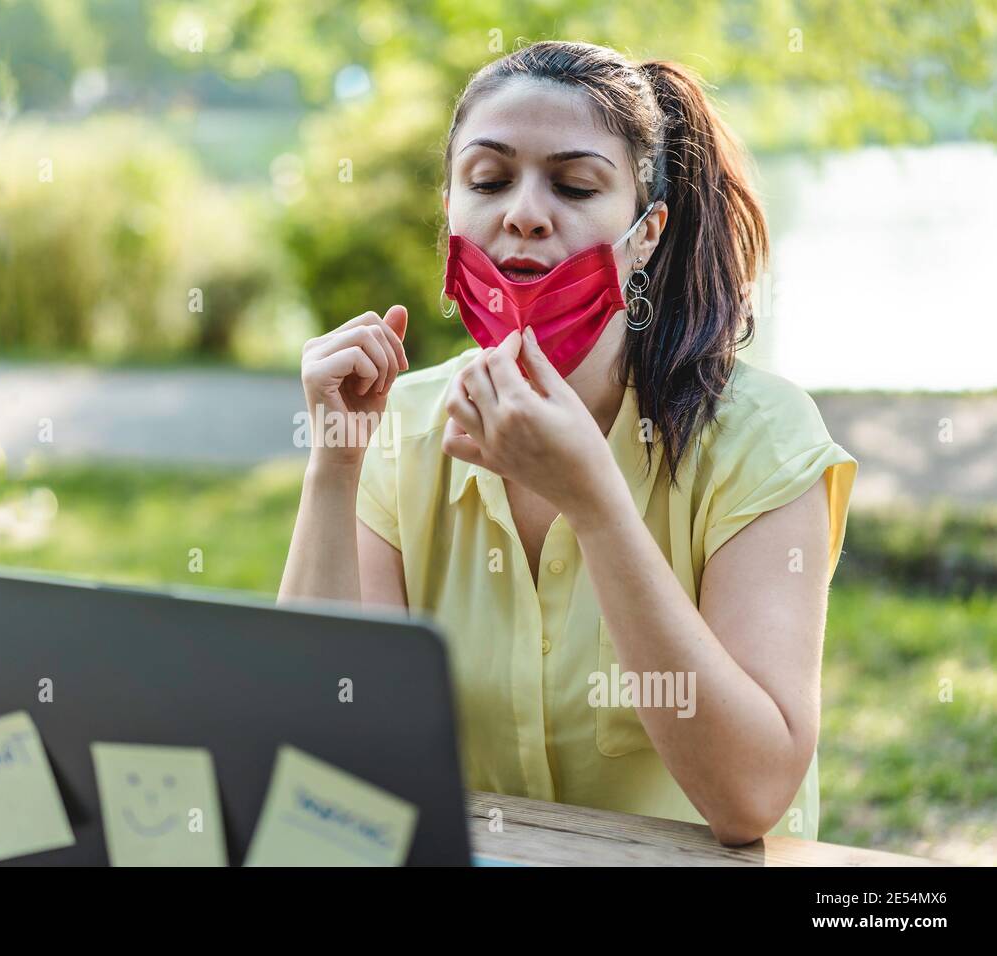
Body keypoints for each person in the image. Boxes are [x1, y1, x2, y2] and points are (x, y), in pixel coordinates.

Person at [278, 40, 857, 846]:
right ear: (449, 208)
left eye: (575, 184)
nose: (522, 211)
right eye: (488, 180)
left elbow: (751, 795)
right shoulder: (397, 429)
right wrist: (334, 467)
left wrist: (596, 504)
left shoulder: (762, 440)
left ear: (646, 233)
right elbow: (320, 757)